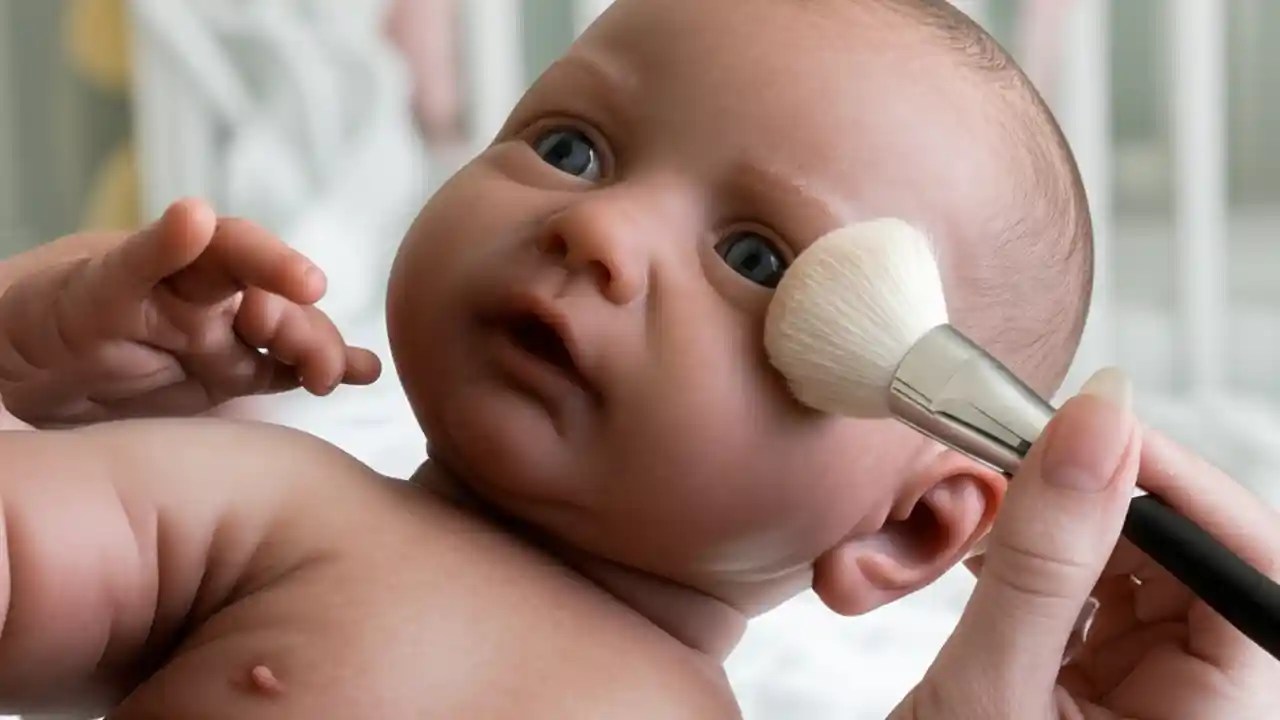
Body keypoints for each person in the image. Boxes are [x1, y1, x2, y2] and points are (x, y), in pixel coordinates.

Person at [0, 0, 1274, 716]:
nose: (596, 229)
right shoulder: (271, 501)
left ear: (908, 533)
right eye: (569, 149)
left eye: (762, 262)